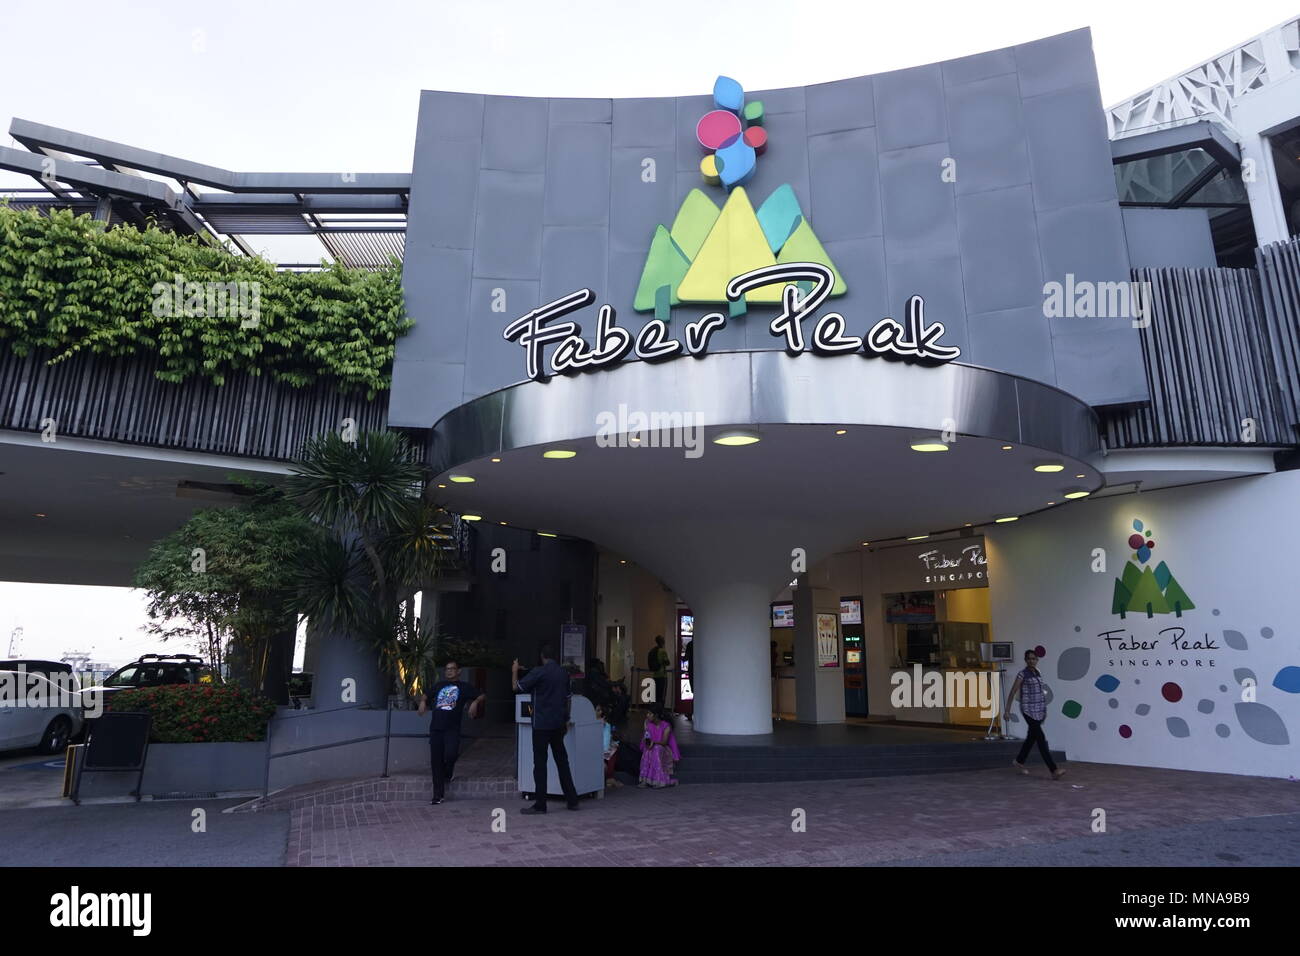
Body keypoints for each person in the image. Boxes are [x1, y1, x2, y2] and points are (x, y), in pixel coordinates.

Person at [513, 644, 580, 813]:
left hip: (541, 724)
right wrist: (566, 719)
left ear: (542, 656)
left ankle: (540, 804)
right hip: (558, 724)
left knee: (540, 764)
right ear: (555, 657)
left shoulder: (539, 671)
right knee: (562, 761)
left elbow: (517, 687)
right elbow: (568, 699)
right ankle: (572, 800)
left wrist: (515, 670)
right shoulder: (563, 674)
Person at [418, 660, 486, 805]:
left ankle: (448, 773)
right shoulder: (439, 685)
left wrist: (474, 703)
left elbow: (481, 696)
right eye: (447, 669)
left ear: (458, 671)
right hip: (436, 728)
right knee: (436, 761)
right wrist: (423, 702)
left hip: (452, 729)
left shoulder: (464, 687)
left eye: (452, 669)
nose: (448, 671)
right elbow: (425, 695)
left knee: (451, 754)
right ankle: (438, 796)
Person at [1005, 649, 1065, 780]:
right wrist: (1007, 711)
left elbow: (1040, 693)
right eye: (1029, 659)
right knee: (1041, 738)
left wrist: (1044, 710)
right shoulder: (1022, 674)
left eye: (1034, 658)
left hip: (1039, 710)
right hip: (1028, 710)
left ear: (1037, 660)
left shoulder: (1038, 673)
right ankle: (1053, 769)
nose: (1031, 661)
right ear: (1026, 660)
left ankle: (1019, 761)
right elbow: (1013, 692)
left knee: (1031, 738)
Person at [637, 705, 681, 788]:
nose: (647, 715)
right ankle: (645, 780)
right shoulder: (648, 724)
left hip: (664, 749)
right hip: (652, 746)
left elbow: (664, 742)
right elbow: (647, 738)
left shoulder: (666, 726)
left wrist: (653, 743)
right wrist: (648, 744)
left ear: (656, 715)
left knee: (656, 749)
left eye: (650, 714)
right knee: (648, 750)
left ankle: (659, 780)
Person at [648, 635, 670, 709]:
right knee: (661, 695)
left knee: (655, 694)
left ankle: (654, 711)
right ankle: (660, 711)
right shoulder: (663, 651)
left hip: (655, 675)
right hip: (662, 675)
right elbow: (667, 662)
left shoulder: (654, 650)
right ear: (662, 642)